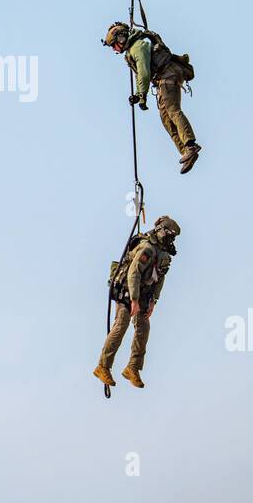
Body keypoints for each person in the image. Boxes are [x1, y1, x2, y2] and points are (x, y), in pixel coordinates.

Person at [94, 215, 181, 389]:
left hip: (143, 294)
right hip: (128, 290)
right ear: (162, 231)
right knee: (122, 324)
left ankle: (133, 367)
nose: (171, 240)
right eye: (170, 235)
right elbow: (133, 273)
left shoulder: (163, 254)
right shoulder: (147, 248)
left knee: (143, 327)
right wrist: (133, 300)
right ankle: (103, 366)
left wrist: (153, 301)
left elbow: (160, 278)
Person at [103, 22, 201, 173]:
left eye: (114, 45)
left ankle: (191, 146)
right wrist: (138, 95)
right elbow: (139, 75)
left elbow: (144, 72)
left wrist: (142, 95)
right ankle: (186, 152)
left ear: (121, 38)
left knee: (172, 110)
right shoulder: (132, 51)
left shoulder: (138, 47)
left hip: (168, 76)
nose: (115, 50)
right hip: (162, 81)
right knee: (166, 119)